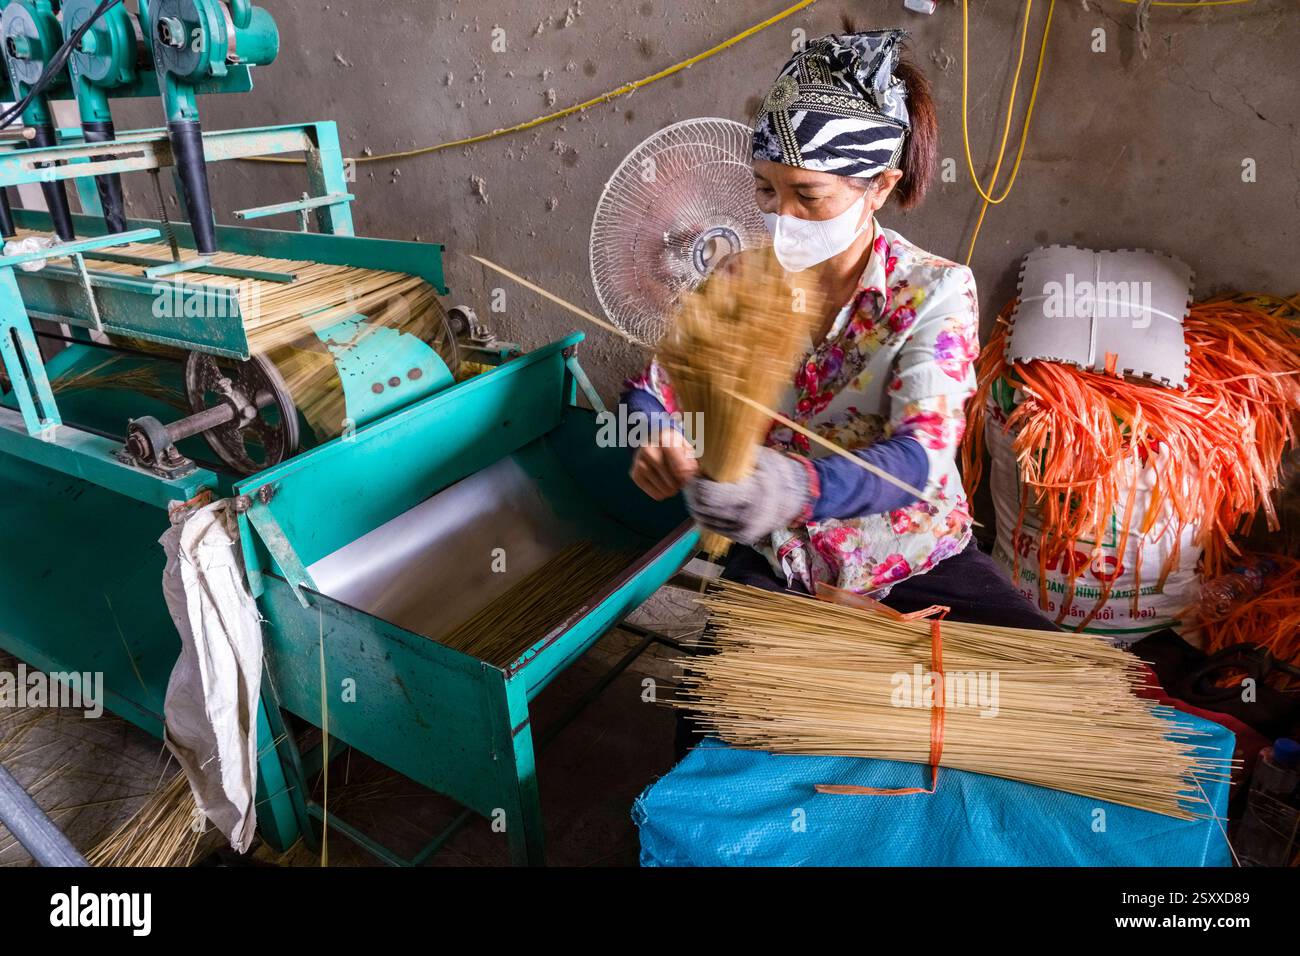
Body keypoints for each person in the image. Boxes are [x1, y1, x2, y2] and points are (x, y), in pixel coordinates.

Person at [623, 28, 1055, 633]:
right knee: (715, 725)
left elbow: (919, 460)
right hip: (781, 564)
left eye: (809, 195)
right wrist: (659, 436)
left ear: (879, 185)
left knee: (1036, 688)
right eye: (767, 190)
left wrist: (791, 486)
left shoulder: (933, 291)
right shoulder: (739, 279)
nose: (783, 216)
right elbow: (653, 388)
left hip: (907, 563)